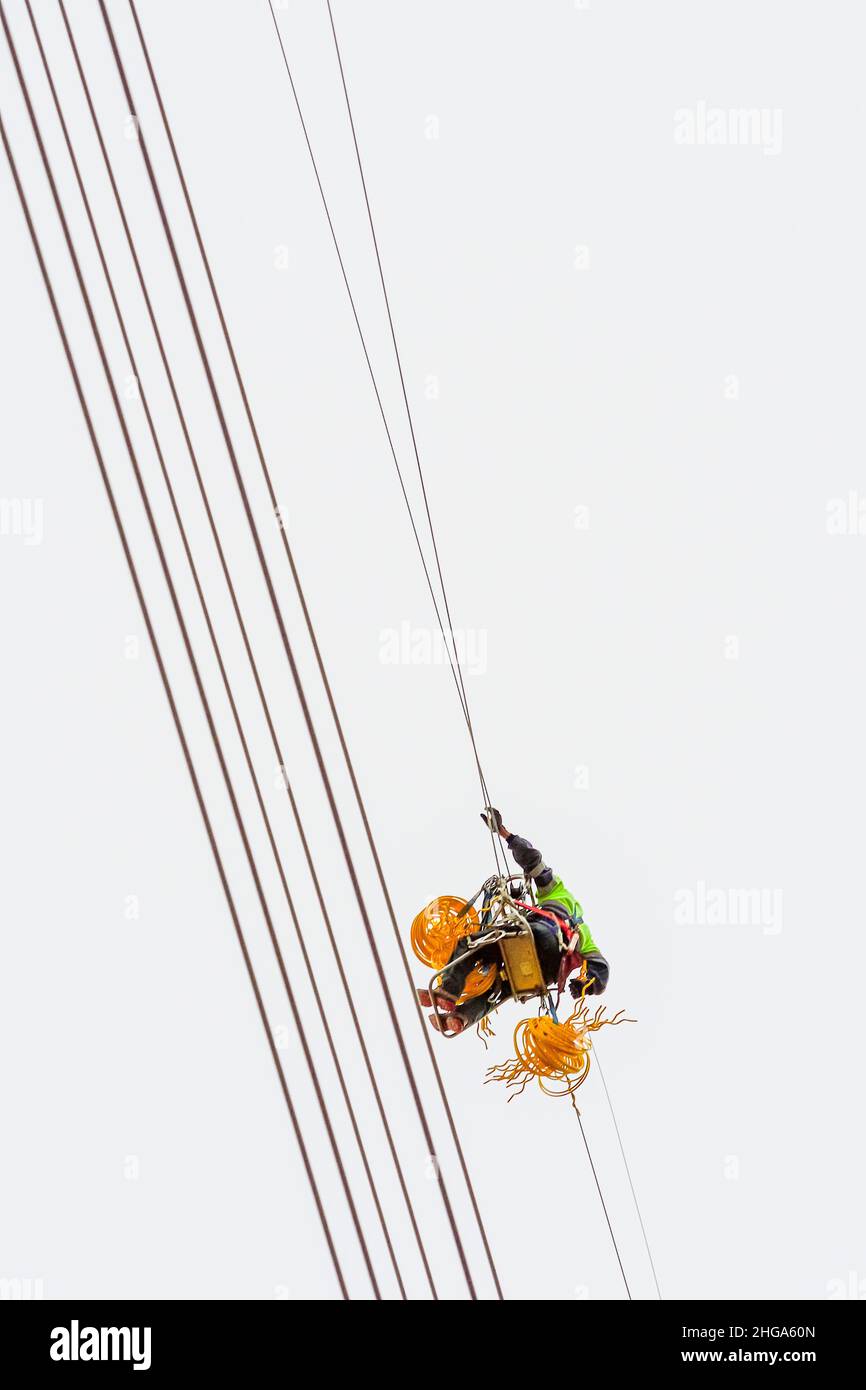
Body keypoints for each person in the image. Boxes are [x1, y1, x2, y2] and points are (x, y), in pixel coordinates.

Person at [418, 808, 610, 1035]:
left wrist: (504, 833)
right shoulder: (585, 937)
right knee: (500, 989)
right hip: (547, 970)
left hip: (538, 935)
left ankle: (447, 992)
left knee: (471, 943)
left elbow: (533, 860)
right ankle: (461, 1018)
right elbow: (602, 969)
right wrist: (586, 985)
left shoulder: (557, 893)